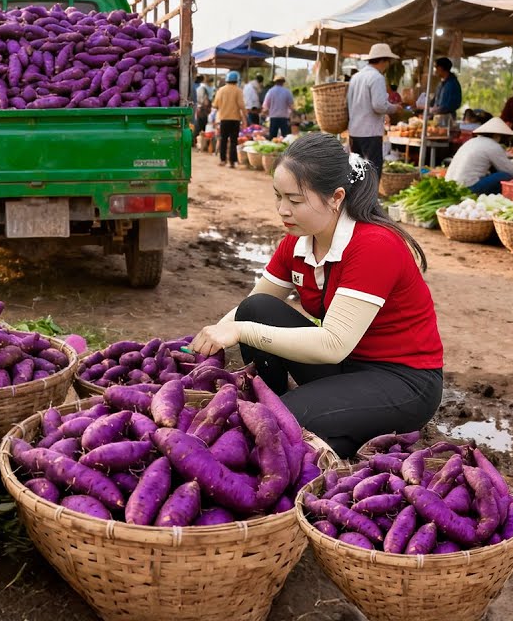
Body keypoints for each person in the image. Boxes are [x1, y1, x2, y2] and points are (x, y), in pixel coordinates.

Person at [189, 133, 442, 458]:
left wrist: (239, 331)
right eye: (278, 197)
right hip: (345, 367)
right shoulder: (297, 241)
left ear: (336, 197)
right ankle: (282, 406)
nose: (283, 210)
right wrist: (205, 341)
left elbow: (333, 344)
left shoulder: (374, 245)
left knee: (279, 427)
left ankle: (341, 432)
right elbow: (250, 307)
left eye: (295, 201)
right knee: (256, 308)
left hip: (402, 380)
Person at [346, 43, 401, 172]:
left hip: (354, 131)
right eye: (388, 61)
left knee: (357, 171)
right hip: (369, 132)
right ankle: (369, 193)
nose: (388, 65)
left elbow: (349, 103)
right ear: (383, 61)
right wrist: (394, 108)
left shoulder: (356, 77)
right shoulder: (377, 77)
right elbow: (379, 106)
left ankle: (356, 193)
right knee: (372, 172)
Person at [445, 117, 513, 194]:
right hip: (468, 188)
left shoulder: (471, 141)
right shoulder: (493, 145)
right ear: (497, 136)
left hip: (451, 186)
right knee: (505, 176)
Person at [213, 71, 246, 167]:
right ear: (236, 80)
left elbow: (215, 105)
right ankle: (232, 162)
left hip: (223, 119)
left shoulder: (221, 90)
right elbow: (241, 105)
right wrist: (245, 119)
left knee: (223, 140)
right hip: (235, 120)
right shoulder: (238, 90)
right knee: (233, 141)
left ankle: (222, 160)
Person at [193, 75, 213, 151]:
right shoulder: (203, 89)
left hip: (199, 110)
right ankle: (199, 144)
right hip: (202, 111)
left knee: (199, 127)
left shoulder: (199, 88)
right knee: (201, 127)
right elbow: (206, 101)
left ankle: (197, 143)